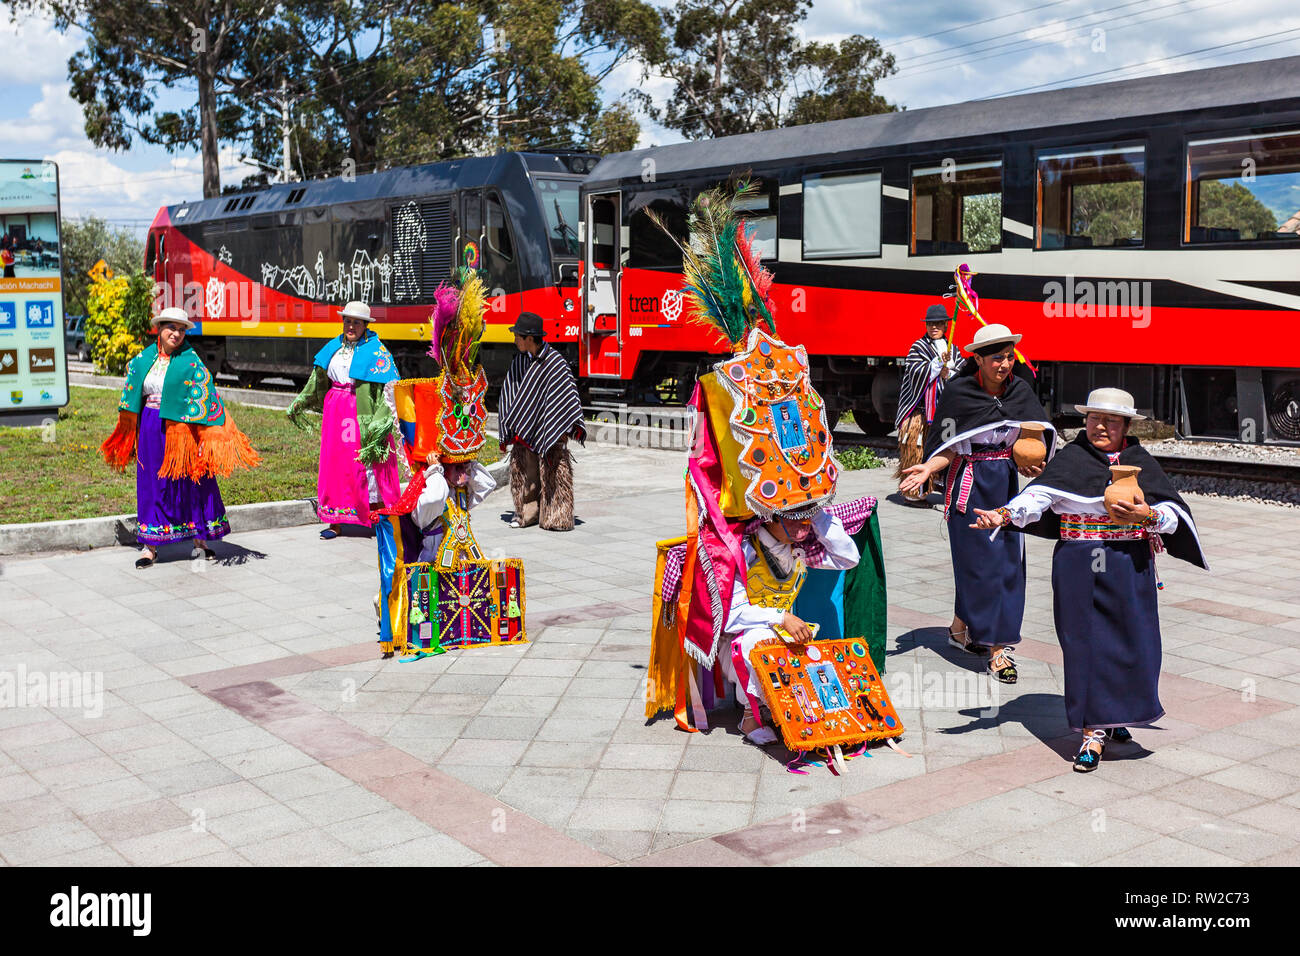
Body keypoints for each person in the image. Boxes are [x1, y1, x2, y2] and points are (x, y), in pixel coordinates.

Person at [970, 388, 1208, 771]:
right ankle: (1093, 732)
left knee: (1134, 642)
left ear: (1126, 427)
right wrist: (1003, 514)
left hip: (1130, 564)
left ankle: (1116, 719)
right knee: (1086, 643)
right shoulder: (1072, 459)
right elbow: (1038, 498)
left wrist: (1149, 516)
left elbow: (1173, 513)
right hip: (1080, 563)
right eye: (1094, 419)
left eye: (1111, 421)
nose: (1101, 426)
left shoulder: (1139, 461)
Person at [899, 323, 1055, 682]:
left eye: (1009, 357)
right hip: (969, 488)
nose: (1004, 364)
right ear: (979, 360)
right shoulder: (959, 393)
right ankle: (996, 651)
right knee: (980, 569)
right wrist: (927, 469)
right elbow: (949, 445)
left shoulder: (1020, 390)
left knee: (1007, 568)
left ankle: (958, 631)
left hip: (1007, 487)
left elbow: (1033, 437)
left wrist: (1034, 464)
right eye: (996, 358)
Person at [375, 271, 501, 659]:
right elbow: (428, 505)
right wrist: (433, 470)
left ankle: (450, 624)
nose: (462, 473)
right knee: (425, 575)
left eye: (461, 469)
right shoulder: (434, 487)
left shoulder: (460, 486)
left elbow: (484, 486)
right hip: (428, 552)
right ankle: (410, 624)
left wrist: (463, 467)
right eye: (457, 468)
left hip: (454, 556)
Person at [100, 307, 260, 568]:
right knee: (152, 483)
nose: (176, 333)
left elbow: (205, 396)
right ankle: (149, 546)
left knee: (192, 482)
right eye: (171, 328)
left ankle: (200, 540)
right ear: (159, 329)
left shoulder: (191, 361)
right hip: (151, 428)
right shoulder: (142, 361)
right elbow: (132, 396)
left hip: (184, 432)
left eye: (181, 329)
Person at [287, 300, 401, 539]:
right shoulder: (333, 347)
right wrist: (301, 402)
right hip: (336, 410)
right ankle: (335, 521)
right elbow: (316, 381)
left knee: (365, 462)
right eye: (347, 321)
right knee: (336, 463)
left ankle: (380, 516)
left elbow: (390, 388)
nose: (351, 326)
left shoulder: (377, 351)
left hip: (363, 412)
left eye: (356, 323)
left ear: (365, 325)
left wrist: (380, 421)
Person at [497, 311, 585, 531]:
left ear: (529, 337)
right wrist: (511, 424)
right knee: (527, 472)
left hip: (550, 428)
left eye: (517, 335)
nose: (515, 339)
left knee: (553, 472)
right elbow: (511, 393)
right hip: (526, 431)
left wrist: (563, 424)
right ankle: (527, 514)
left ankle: (556, 516)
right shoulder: (519, 361)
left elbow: (566, 394)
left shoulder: (555, 362)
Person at [894, 303, 964, 501]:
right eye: (930, 324)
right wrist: (935, 366)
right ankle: (913, 492)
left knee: (944, 449)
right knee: (916, 449)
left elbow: (962, 375)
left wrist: (947, 372)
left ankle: (940, 484)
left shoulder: (954, 350)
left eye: (939, 324)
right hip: (920, 410)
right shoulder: (918, 347)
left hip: (944, 411)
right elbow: (914, 372)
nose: (934, 327)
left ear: (945, 326)